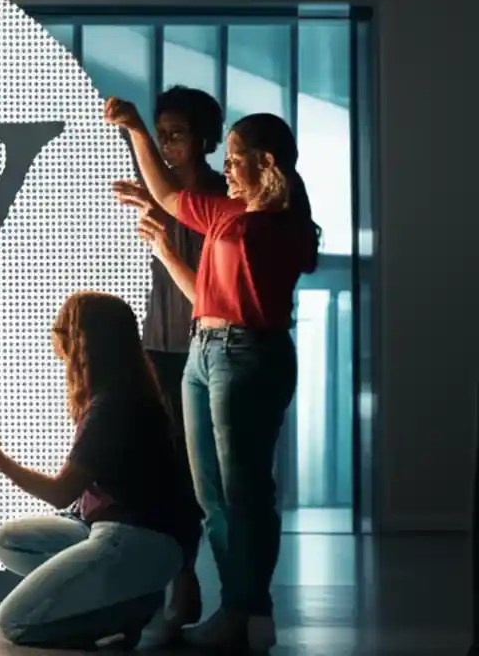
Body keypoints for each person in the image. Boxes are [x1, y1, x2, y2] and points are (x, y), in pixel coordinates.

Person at [109, 100, 321, 650]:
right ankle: (240, 610)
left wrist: (136, 130)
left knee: (242, 493)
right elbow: (205, 299)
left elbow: (166, 195)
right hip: (207, 347)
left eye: (234, 157)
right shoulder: (248, 220)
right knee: (216, 497)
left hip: (242, 356)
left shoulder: (247, 222)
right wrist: (163, 248)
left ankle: (246, 609)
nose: (225, 167)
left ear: (264, 162)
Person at [0, 291, 202, 650]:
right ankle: (124, 592)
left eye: (61, 329)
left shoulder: (112, 406)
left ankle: (129, 607)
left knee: (14, 623)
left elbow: (61, 492)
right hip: (106, 529)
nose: (54, 337)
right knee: (9, 540)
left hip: (129, 537)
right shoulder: (124, 393)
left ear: (83, 341)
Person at [128, 85, 227, 633]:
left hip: (201, 347)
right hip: (154, 347)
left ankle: (187, 577)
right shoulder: (152, 191)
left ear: (205, 139)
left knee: (195, 475)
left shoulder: (219, 199)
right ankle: (171, 578)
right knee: (158, 470)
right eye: (162, 134)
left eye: (177, 135)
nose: (167, 145)